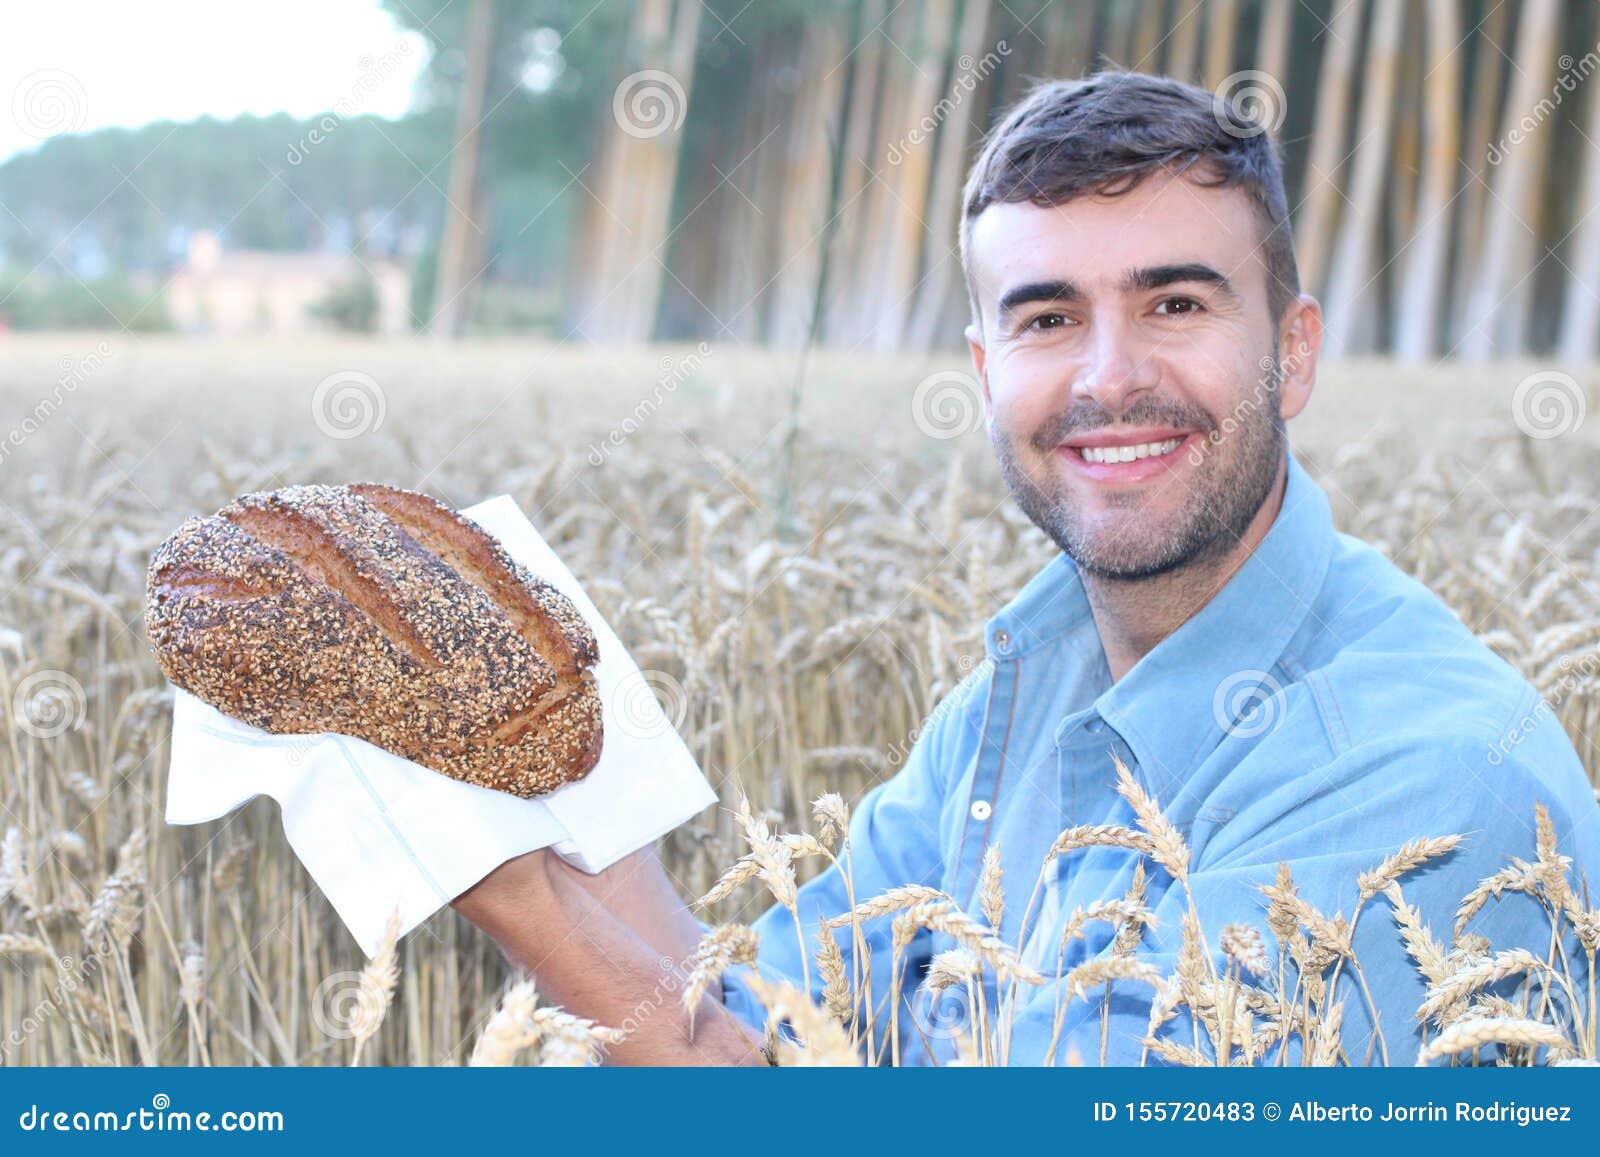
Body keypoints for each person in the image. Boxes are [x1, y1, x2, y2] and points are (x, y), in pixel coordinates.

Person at [453, 70, 1600, 1066]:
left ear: (1291, 350)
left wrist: (513, 889)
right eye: (1047, 319)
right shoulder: (1022, 682)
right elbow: (766, 1042)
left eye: (1174, 302)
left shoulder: (1426, 780)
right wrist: (559, 799)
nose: (1109, 376)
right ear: (984, 367)